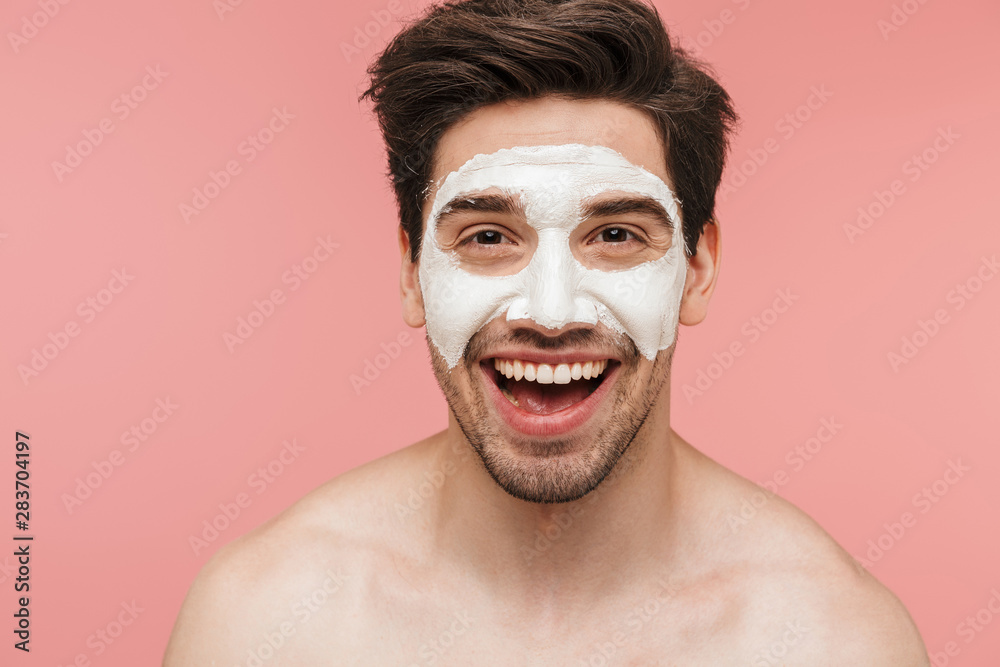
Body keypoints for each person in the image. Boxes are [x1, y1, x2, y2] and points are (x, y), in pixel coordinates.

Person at [164, 1, 930, 664]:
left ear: (697, 269)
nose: (552, 313)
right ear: (411, 272)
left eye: (616, 235)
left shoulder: (833, 641)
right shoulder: (262, 623)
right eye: (488, 237)